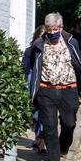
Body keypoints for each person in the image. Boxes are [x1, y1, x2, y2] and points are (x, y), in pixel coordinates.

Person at [24, 13, 81, 161]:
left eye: (55, 29)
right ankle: (53, 160)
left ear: (61, 27)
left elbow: (79, 62)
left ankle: (63, 149)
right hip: (46, 90)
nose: (52, 33)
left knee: (69, 123)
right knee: (49, 125)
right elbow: (31, 65)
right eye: (49, 30)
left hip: (68, 89)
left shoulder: (72, 42)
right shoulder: (38, 45)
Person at [22, 25, 46, 153]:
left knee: (43, 112)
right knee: (35, 113)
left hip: (45, 85)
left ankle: (41, 143)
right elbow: (25, 69)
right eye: (41, 35)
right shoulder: (29, 50)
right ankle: (38, 139)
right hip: (32, 84)